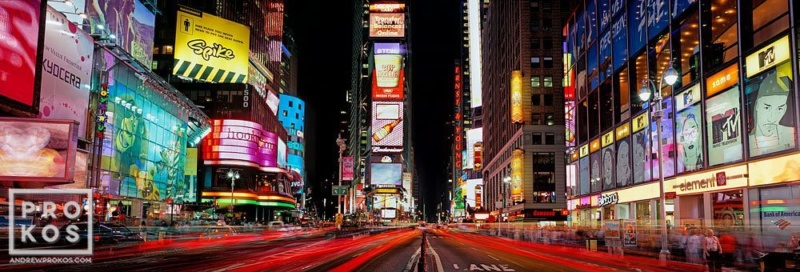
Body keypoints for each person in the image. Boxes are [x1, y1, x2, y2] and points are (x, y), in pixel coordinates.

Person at [748, 70, 795, 156]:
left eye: (779, 109)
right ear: (757, 105)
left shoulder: (792, 134)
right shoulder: (746, 143)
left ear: (784, 109)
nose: (772, 118)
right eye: (767, 107)